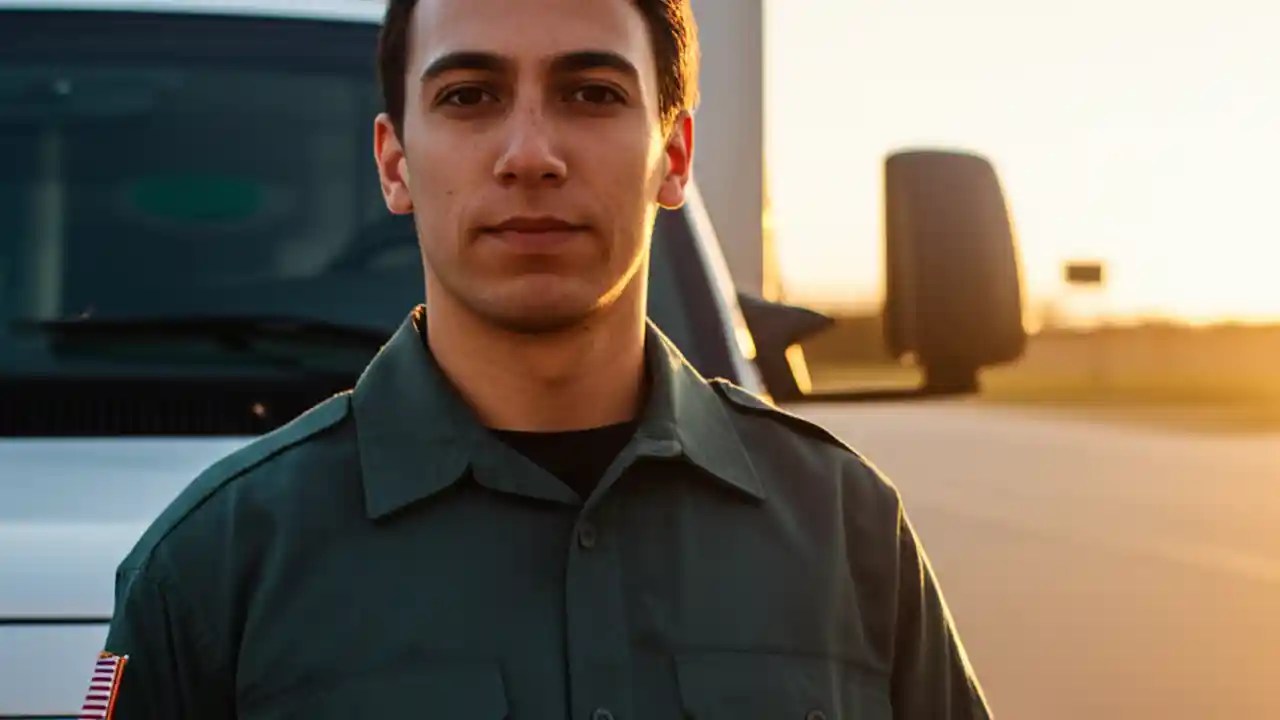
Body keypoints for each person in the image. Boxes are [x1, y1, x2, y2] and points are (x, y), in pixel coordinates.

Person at [90, 0, 992, 717]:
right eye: (469, 96)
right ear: (395, 162)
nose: (530, 155)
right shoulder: (218, 566)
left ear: (674, 155)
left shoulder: (844, 530)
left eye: (593, 94)